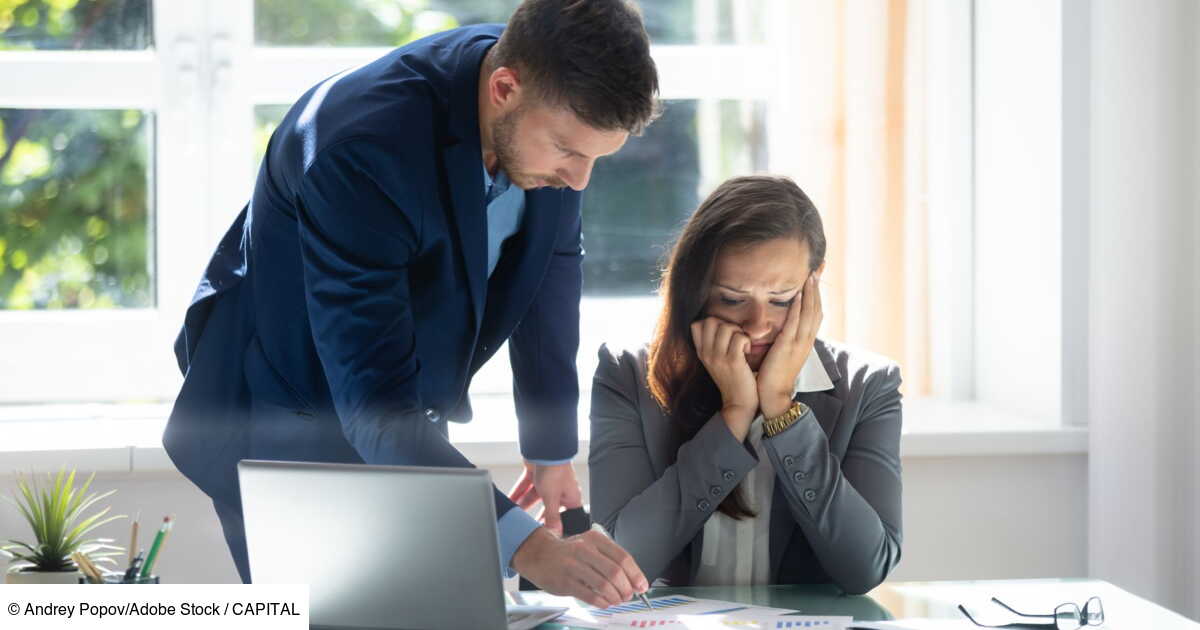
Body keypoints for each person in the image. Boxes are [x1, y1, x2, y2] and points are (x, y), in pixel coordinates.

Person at [164, 0, 659, 607]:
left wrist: (549, 447)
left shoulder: (545, 105)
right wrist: (532, 549)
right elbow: (376, 408)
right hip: (286, 430)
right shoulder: (361, 151)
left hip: (400, 423)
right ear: (504, 87)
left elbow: (549, 269)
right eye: (568, 152)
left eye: (595, 159)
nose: (580, 180)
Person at [588, 175, 903, 593]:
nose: (758, 326)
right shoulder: (625, 374)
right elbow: (623, 560)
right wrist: (734, 414)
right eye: (732, 299)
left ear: (814, 280)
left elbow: (865, 568)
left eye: (782, 299)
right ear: (695, 289)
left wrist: (780, 408)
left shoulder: (869, 386)